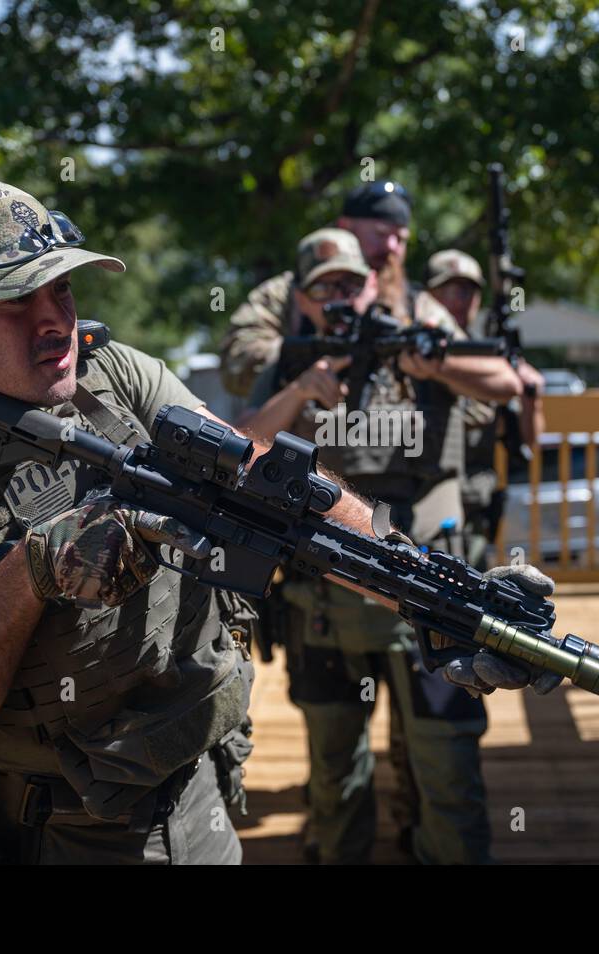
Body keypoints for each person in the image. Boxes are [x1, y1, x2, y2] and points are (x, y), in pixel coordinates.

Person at [0, 176, 551, 865]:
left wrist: (431, 594)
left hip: (201, 802)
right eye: (15, 300)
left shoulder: (114, 376)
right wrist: (30, 575)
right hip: (45, 834)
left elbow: (268, 484)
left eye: (62, 290)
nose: (54, 322)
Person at [239, 227, 536, 864]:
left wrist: (433, 363)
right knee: (335, 770)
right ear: (306, 300)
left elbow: (508, 382)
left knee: (446, 760)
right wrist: (300, 391)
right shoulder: (296, 358)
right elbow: (245, 447)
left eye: (353, 282)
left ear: (374, 282)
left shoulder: (420, 319)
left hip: (431, 582)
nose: (343, 296)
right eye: (327, 289)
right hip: (325, 592)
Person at [219, 179, 455, 400]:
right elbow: (236, 365)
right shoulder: (288, 292)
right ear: (346, 227)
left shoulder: (417, 304)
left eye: (401, 239)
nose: (391, 247)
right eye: (381, 234)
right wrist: (323, 352)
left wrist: (428, 358)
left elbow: (477, 368)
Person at [425, 249, 545, 567]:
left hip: (474, 513)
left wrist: (532, 397)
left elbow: (528, 441)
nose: (461, 299)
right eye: (450, 290)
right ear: (429, 295)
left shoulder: (493, 364)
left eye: (469, 291)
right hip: (426, 509)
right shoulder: (417, 354)